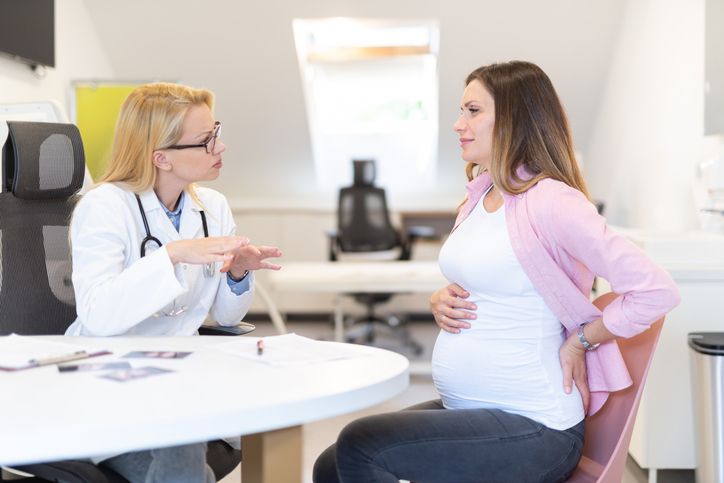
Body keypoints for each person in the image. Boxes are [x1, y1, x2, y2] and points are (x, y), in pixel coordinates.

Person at [313, 61, 680, 483]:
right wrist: (443, 296)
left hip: (535, 427)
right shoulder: (480, 193)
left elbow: (657, 290)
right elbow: (501, 277)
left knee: (362, 443)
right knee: (332, 463)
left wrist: (582, 340)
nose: (457, 124)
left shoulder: (552, 200)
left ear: (512, 118)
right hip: (474, 411)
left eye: (472, 111)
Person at [66, 82, 282, 482]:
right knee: (183, 447)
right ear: (161, 157)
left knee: (186, 438)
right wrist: (172, 255)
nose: (221, 148)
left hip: (179, 370)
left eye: (216, 132)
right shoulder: (104, 207)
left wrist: (238, 272)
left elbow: (226, 315)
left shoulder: (211, 206)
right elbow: (97, 317)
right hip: (111, 378)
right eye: (206, 140)